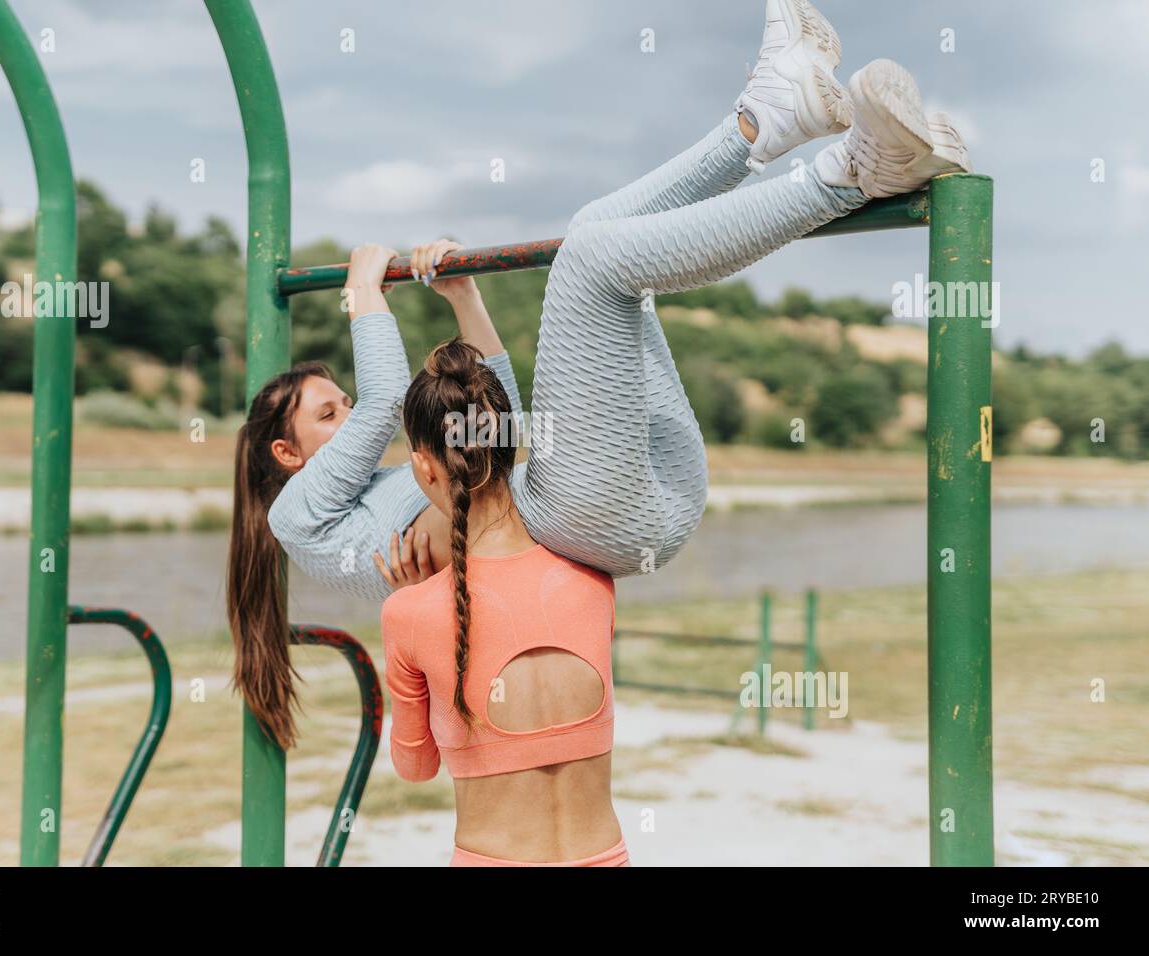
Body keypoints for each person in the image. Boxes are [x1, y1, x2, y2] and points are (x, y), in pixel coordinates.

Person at [227, 0, 972, 751]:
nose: (350, 415)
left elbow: (508, 433)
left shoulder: (401, 494)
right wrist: (364, 298)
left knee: (595, 239)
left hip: (639, 491)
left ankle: (763, 120)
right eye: (327, 415)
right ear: (284, 455)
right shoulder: (299, 521)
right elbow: (388, 397)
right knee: (590, 263)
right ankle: (849, 175)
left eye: (341, 402)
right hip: (587, 517)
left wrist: (463, 295)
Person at [381, 337, 626, 865]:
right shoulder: (594, 582)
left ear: (424, 467)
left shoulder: (412, 614)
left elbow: (416, 766)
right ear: (509, 448)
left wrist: (413, 607)